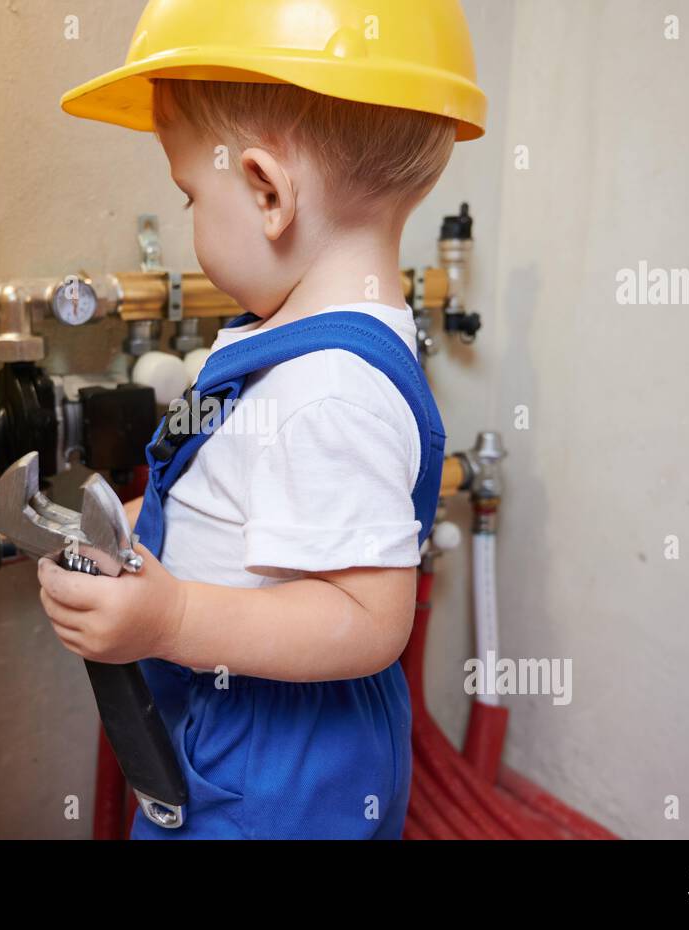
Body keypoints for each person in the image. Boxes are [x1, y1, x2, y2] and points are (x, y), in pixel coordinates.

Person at [38, 0, 487, 839]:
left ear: (266, 190)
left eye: (189, 198)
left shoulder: (328, 391)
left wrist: (171, 619)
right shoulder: (276, 345)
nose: (190, 221)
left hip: (283, 773)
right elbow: (224, 492)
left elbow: (365, 619)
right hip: (236, 738)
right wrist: (137, 531)